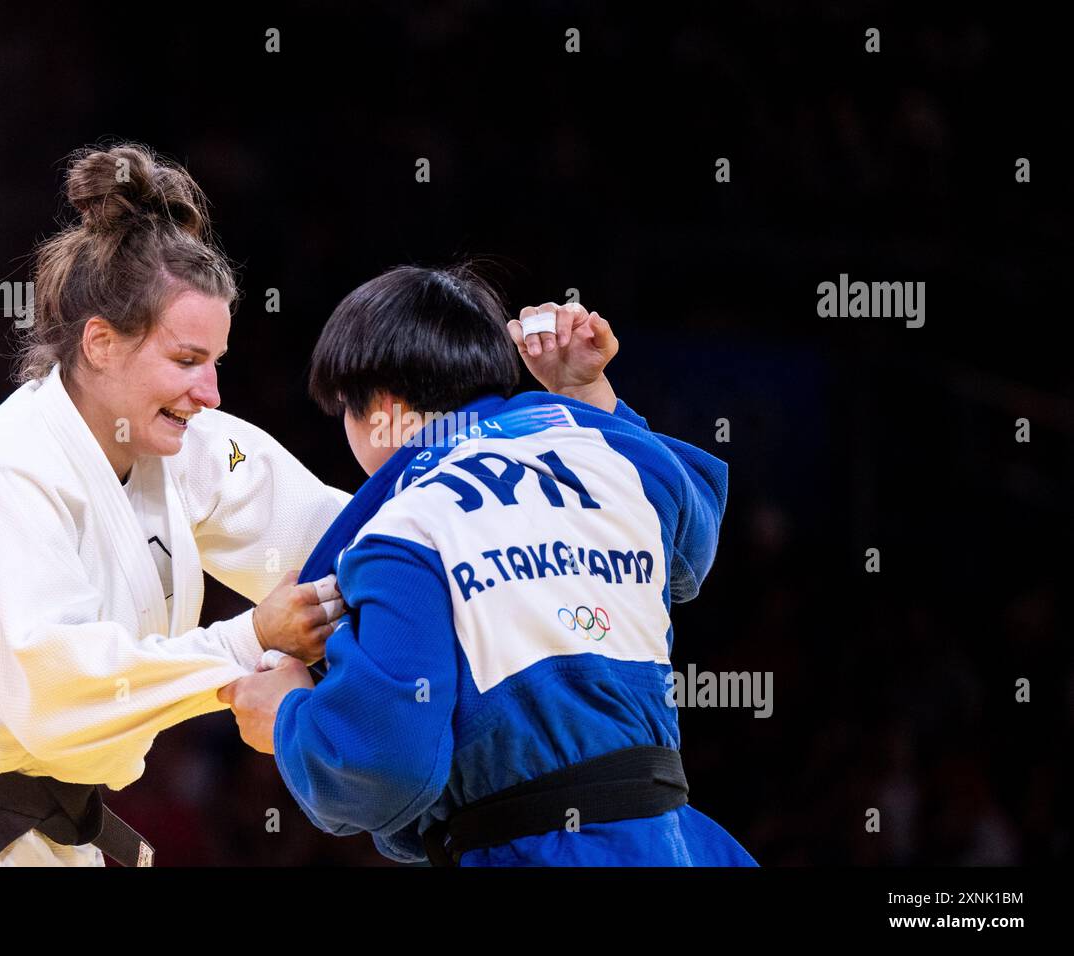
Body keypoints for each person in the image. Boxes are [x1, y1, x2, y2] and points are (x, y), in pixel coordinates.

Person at [0, 144, 351, 867]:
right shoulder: (9, 470)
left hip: (54, 835)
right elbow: (58, 699)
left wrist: (504, 459)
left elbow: (343, 540)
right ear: (100, 343)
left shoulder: (192, 445)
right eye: (187, 361)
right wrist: (249, 639)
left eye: (216, 362)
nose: (211, 393)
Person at [221, 264, 758, 866]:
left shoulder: (405, 529)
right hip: (674, 841)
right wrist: (591, 399)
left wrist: (289, 719)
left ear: (380, 406)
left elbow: (387, 766)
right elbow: (692, 546)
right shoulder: (607, 451)